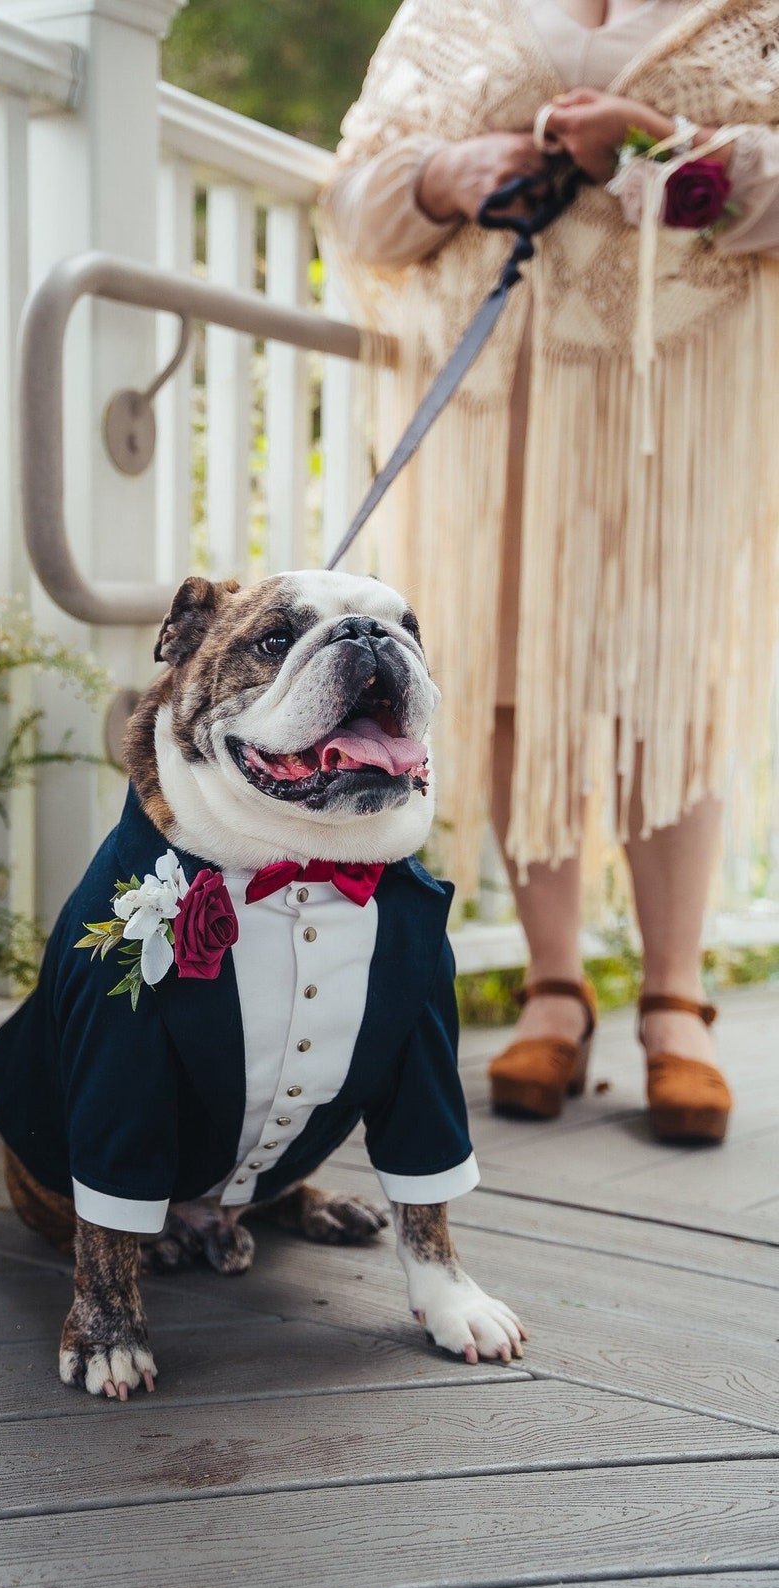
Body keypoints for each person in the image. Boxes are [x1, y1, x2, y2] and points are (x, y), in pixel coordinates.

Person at [321, 0, 779, 1142]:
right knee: (513, 674)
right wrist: (447, 176)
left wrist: (658, 147)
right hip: (498, 401)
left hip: (678, 403)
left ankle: (674, 1001)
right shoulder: (450, 11)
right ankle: (554, 986)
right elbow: (354, 200)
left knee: (666, 680)